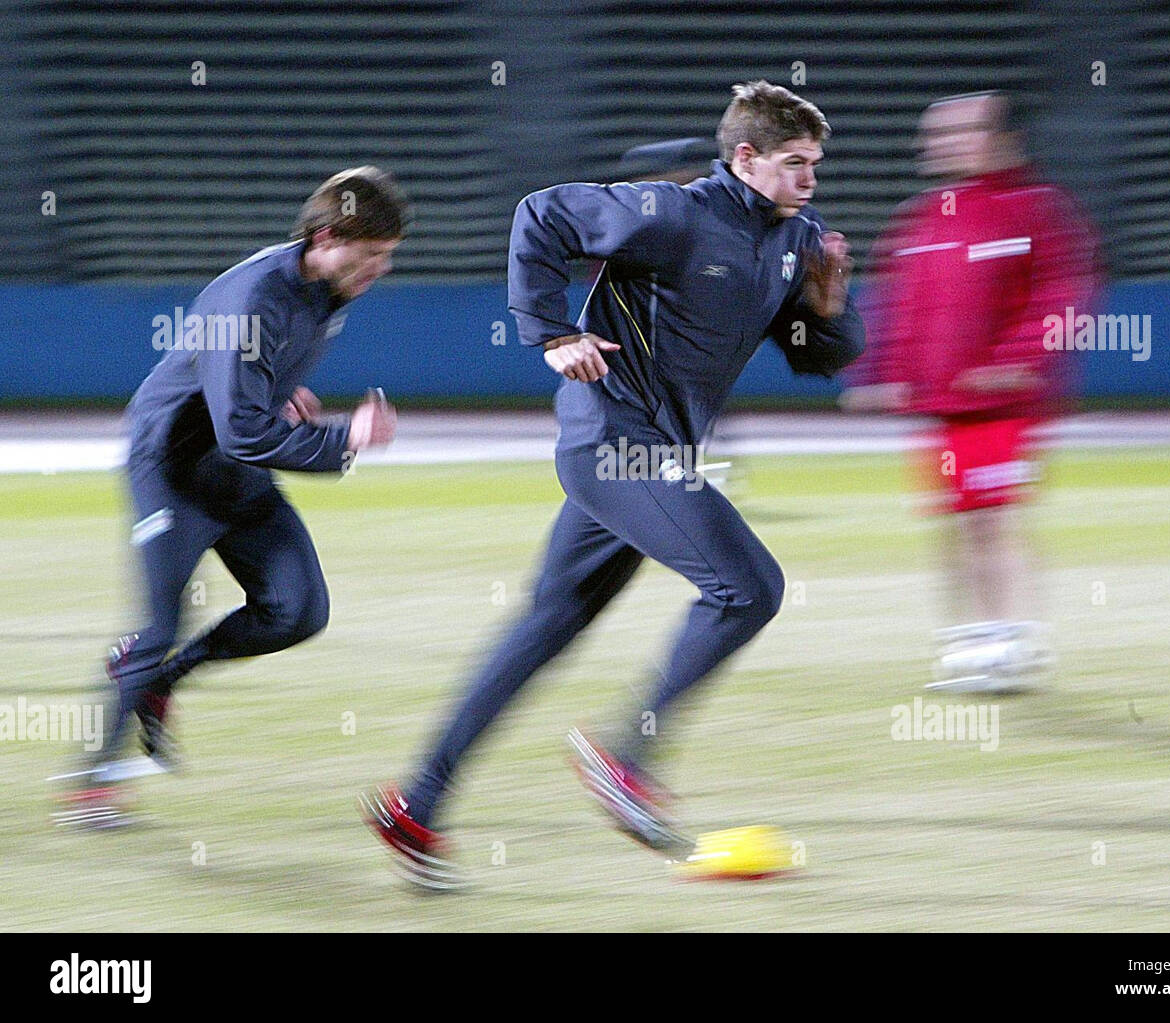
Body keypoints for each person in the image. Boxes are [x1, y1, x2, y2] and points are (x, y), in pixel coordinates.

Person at [362, 81, 864, 888]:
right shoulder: (672, 215)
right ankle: (626, 753)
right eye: (794, 163)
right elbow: (541, 216)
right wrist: (552, 332)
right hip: (613, 446)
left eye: (815, 163)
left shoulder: (793, 236)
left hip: (648, 458)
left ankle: (416, 802)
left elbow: (819, 356)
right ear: (744, 159)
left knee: (544, 626)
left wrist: (830, 309)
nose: (811, 179)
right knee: (751, 587)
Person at [55, 166, 404, 829]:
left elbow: (243, 403)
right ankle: (91, 784)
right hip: (172, 469)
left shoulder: (324, 290)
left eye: (388, 256)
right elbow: (242, 430)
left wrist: (277, 393)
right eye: (373, 254)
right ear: (327, 236)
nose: (380, 269)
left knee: (297, 609)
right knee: (159, 625)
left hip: (231, 471)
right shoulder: (252, 296)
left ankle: (162, 679)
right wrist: (343, 443)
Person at [840, 91, 1099, 693]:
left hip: (1005, 406)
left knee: (993, 518)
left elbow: (1061, 299)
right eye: (936, 136)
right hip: (944, 408)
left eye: (959, 133)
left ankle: (1010, 639)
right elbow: (900, 307)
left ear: (1003, 139)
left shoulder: (1038, 210)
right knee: (957, 521)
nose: (942, 146)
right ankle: (973, 639)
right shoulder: (923, 218)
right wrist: (878, 374)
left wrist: (1018, 363)